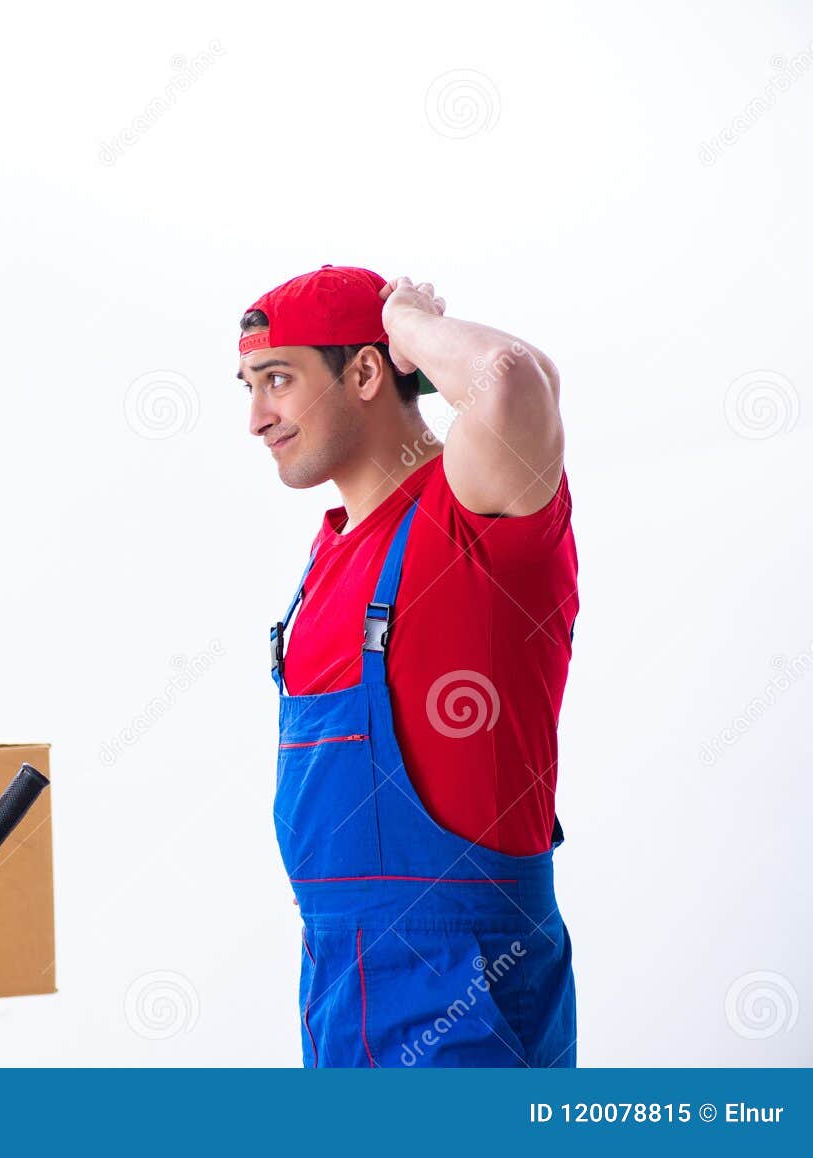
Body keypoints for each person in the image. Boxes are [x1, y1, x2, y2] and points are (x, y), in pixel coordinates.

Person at [238, 265, 577, 1067]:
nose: (256, 417)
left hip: (464, 984)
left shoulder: (471, 515)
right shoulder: (328, 558)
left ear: (364, 371)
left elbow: (517, 380)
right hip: (337, 986)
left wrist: (410, 324)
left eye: (277, 380)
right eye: (247, 386)